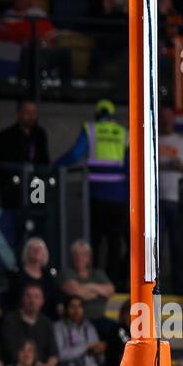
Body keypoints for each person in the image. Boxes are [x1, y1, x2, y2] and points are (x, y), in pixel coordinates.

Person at [55, 100, 128, 277]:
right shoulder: (124, 133)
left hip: (95, 193)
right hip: (118, 196)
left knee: (93, 239)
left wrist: (55, 165)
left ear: (97, 114)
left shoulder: (91, 129)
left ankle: (91, 277)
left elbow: (74, 155)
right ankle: (114, 281)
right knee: (115, 241)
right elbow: (132, 166)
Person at [157, 107, 183, 275]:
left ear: (174, 120)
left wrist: (181, 167)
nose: (166, 121)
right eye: (163, 117)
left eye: (169, 117)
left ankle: (179, 283)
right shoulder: (151, 140)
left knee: (178, 245)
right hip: (155, 202)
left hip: (176, 200)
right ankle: (155, 282)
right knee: (156, 246)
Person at [0, 100, 50, 209]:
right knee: (14, 217)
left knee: (37, 215)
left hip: (36, 185)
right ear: (19, 113)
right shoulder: (5, 136)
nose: (31, 116)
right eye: (27, 112)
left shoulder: (39, 134)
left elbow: (44, 160)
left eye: (34, 113)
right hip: (13, 187)